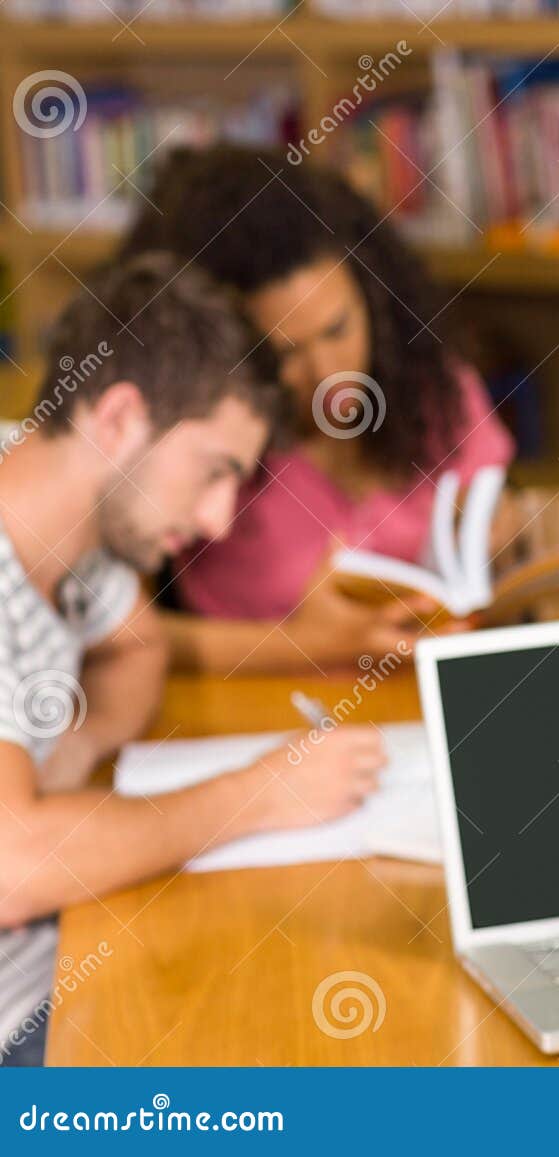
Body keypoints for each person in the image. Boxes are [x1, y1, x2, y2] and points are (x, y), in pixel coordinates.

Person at [0, 256, 386, 1065]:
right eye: (214, 471)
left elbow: (137, 644)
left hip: (60, 959)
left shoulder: (57, 503)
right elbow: (14, 865)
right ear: (117, 419)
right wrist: (261, 794)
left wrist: (73, 754)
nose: (216, 519)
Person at [116, 146, 519, 674]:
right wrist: (312, 644)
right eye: (284, 353)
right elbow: (121, 634)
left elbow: (497, 509)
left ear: (373, 298)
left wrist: (501, 538)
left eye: (338, 329)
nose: (329, 375)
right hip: (254, 716)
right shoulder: (196, 440)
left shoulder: (430, 388)